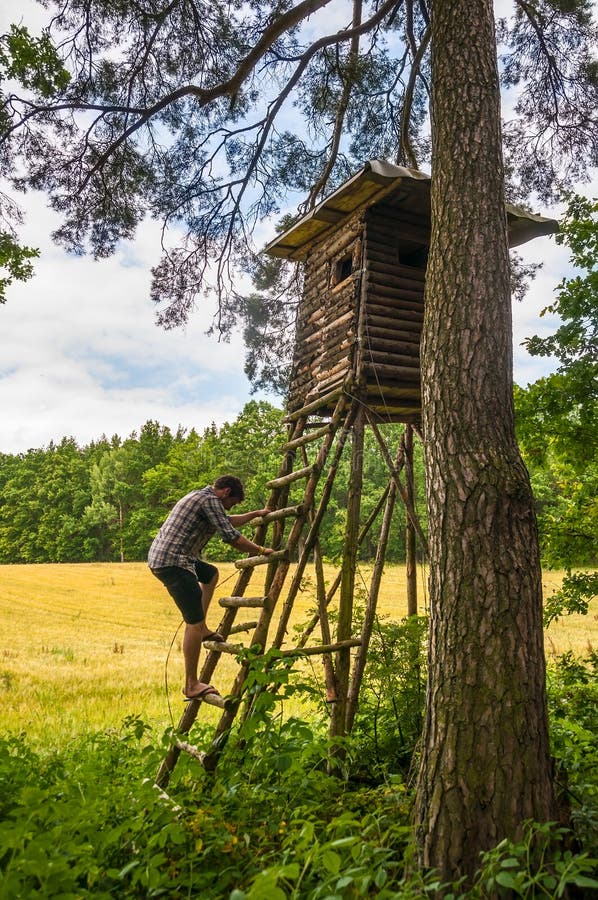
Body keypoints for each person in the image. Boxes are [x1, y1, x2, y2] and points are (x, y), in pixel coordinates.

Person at [148, 475, 273, 701]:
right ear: (226, 492)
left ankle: (203, 627)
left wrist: (254, 515)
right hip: (173, 562)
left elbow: (227, 521)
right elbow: (232, 538)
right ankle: (191, 683)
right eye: (232, 502)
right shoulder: (209, 501)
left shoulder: (203, 497)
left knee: (210, 574)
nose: (230, 507)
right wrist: (262, 550)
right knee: (192, 623)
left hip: (169, 557)